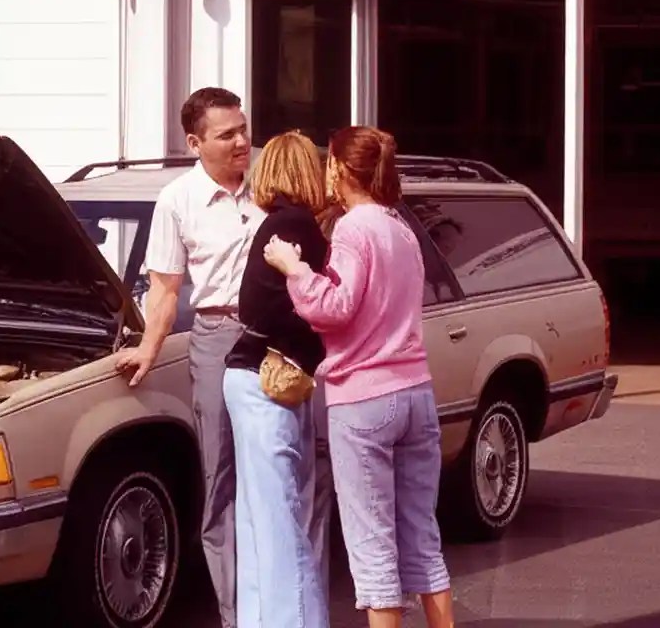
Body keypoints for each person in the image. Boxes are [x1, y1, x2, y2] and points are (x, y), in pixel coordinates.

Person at [263, 126, 455, 628]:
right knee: (422, 536)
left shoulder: (353, 229)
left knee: (372, 547)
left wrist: (294, 270)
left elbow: (336, 307)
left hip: (364, 398)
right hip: (415, 391)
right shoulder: (403, 229)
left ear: (341, 171)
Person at [115, 86, 262, 628]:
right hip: (219, 337)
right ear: (196, 142)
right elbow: (165, 290)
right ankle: (236, 615)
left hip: (280, 339)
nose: (243, 140)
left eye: (244, 128)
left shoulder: (271, 185)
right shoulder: (176, 201)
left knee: (289, 472)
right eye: (228, 134)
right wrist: (148, 350)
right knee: (221, 476)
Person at [222, 130, 332, 628]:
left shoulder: (273, 221)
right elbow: (264, 307)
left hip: (245, 378)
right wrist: (315, 329)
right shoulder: (297, 225)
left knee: (259, 520)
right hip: (268, 381)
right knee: (285, 524)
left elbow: (251, 305)